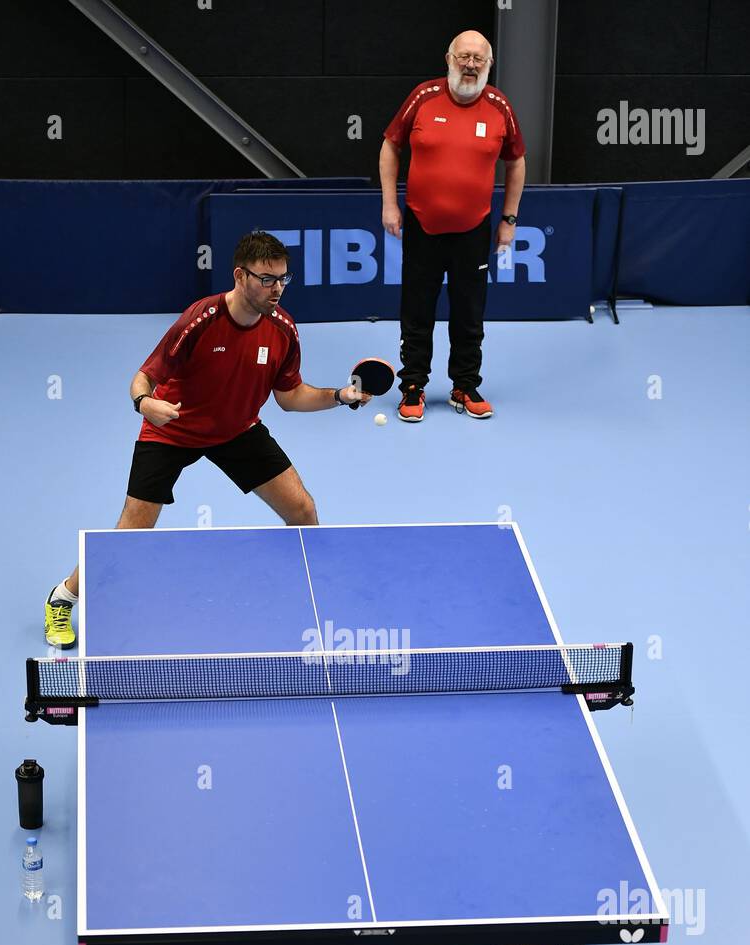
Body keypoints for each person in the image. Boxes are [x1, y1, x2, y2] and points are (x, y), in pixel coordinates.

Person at [44, 230, 371, 648]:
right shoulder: (200, 319)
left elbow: (290, 398)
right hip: (173, 429)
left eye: (283, 279)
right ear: (240, 275)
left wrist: (340, 397)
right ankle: (62, 597)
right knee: (129, 534)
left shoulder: (283, 329)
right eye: (267, 279)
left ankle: (307, 591)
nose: (277, 289)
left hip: (236, 430)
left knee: (303, 509)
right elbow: (143, 377)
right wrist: (146, 404)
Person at [379, 30, 526, 422]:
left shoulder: (499, 106)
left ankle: (465, 385)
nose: (470, 64)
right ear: (448, 58)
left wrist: (508, 220)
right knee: (417, 308)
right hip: (422, 224)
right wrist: (389, 204)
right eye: (464, 56)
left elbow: (516, 162)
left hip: (474, 229)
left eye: (479, 58)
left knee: (469, 310)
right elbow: (391, 145)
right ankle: (413, 386)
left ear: (489, 65)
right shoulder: (422, 97)